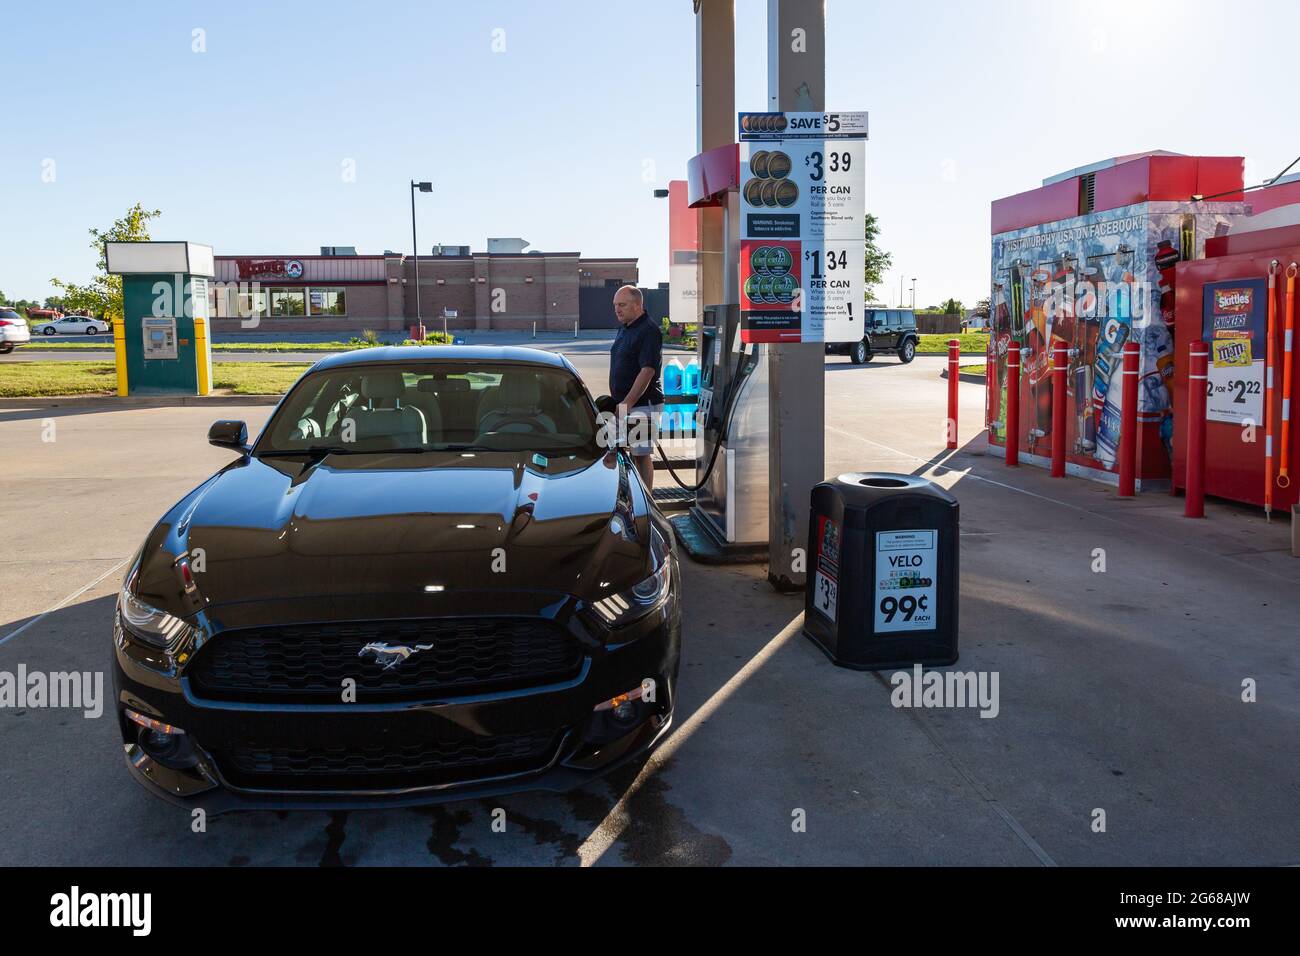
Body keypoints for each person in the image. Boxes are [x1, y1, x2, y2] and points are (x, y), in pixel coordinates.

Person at [608, 285, 663, 487]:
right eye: (615, 305)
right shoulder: (625, 327)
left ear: (638, 305)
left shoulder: (649, 330)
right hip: (623, 404)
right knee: (618, 453)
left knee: (641, 455)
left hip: (642, 405)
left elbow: (647, 371)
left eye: (622, 304)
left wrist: (627, 404)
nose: (617, 309)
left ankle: (646, 505)